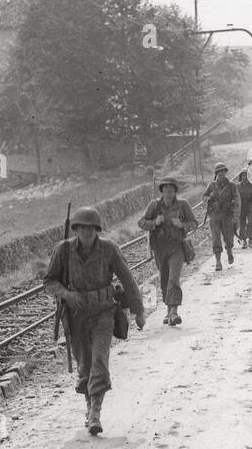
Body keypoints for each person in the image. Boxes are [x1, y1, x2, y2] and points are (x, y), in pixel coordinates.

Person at [44, 206, 146, 435]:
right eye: (82, 228)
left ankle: (95, 414)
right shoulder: (64, 250)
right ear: (76, 229)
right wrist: (66, 294)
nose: (87, 233)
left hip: (103, 313)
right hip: (76, 316)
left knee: (100, 362)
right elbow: (49, 281)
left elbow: (127, 279)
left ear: (97, 230)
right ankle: (90, 408)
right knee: (85, 366)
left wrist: (138, 310)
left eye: (91, 229)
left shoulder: (108, 249)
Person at [137, 177, 196, 327]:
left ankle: (174, 311)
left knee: (173, 278)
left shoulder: (183, 205)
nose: (168, 191)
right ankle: (169, 310)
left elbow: (194, 223)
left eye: (171, 189)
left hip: (177, 247)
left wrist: (182, 224)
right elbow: (141, 223)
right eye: (165, 188)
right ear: (162, 190)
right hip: (159, 248)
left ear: (175, 190)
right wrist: (154, 223)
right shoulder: (154, 205)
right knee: (164, 280)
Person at [203, 161, 240, 270]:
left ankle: (229, 251)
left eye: (222, 171)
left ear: (225, 172)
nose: (221, 174)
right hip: (214, 216)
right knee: (216, 239)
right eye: (218, 172)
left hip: (227, 215)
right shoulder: (212, 185)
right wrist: (210, 196)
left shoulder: (232, 185)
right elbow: (204, 198)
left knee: (228, 238)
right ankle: (218, 262)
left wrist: (236, 216)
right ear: (216, 173)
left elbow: (237, 201)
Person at [236, 169, 252, 248]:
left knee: (250, 223)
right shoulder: (238, 186)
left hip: (250, 206)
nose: (244, 177)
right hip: (241, 207)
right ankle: (244, 241)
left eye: (246, 175)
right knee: (242, 224)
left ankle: (250, 240)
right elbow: (235, 197)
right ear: (241, 177)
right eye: (243, 176)